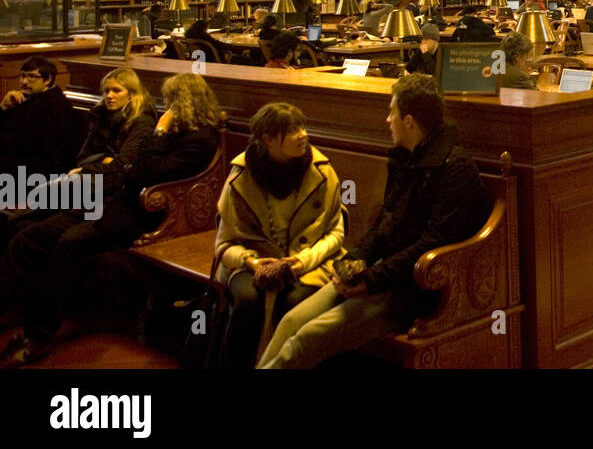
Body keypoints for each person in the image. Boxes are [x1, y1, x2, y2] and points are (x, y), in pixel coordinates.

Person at [257, 76, 489, 368]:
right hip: (378, 273)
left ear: (408, 121)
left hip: (410, 290)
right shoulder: (408, 158)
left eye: (391, 112)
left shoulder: (454, 168)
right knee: (291, 321)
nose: (386, 119)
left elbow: (432, 243)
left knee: (306, 338)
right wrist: (351, 266)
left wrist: (369, 281)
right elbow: (382, 225)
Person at [0, 72, 219, 366]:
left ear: (185, 103)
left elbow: (147, 171)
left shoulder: (198, 139)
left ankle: (39, 333)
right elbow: (132, 167)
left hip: (143, 216)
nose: (166, 108)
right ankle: (21, 315)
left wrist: (159, 132)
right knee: (32, 235)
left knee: (68, 242)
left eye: (171, 102)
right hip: (114, 203)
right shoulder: (176, 133)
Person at [213, 102, 345, 369]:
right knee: (248, 301)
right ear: (269, 139)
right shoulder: (241, 175)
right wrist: (250, 262)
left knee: (295, 301)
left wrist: (302, 261)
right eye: (293, 130)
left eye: (303, 127)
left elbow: (336, 233)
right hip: (252, 263)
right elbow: (223, 244)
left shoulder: (321, 171)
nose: (304, 135)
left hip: (310, 262)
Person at [0, 57, 80, 176]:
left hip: (43, 168)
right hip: (23, 160)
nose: (24, 82)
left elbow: (31, 144)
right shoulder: (27, 99)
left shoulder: (56, 105)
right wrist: (3, 106)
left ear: (47, 79)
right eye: (22, 76)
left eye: (31, 77)